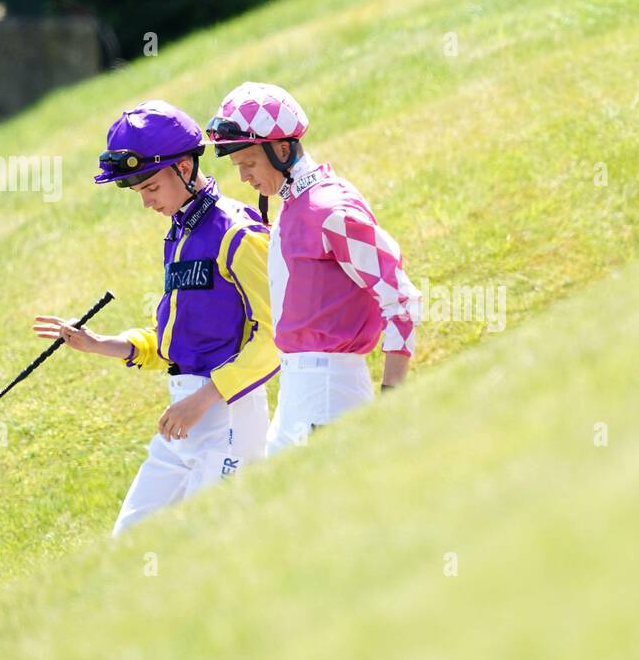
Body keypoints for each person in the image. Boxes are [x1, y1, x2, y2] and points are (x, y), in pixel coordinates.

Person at [31, 100, 278, 535]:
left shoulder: (239, 233)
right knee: (126, 543)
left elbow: (275, 338)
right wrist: (99, 343)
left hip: (227, 417)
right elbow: (176, 342)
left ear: (184, 167)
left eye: (149, 187)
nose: (146, 202)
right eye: (137, 192)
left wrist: (202, 400)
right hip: (183, 422)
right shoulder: (180, 235)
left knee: (207, 547)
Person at [205, 82, 420, 456]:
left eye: (249, 164)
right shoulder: (294, 205)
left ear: (283, 149)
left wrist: (392, 398)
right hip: (297, 396)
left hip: (328, 396)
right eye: (239, 167)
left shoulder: (329, 209)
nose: (243, 178)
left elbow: (401, 298)